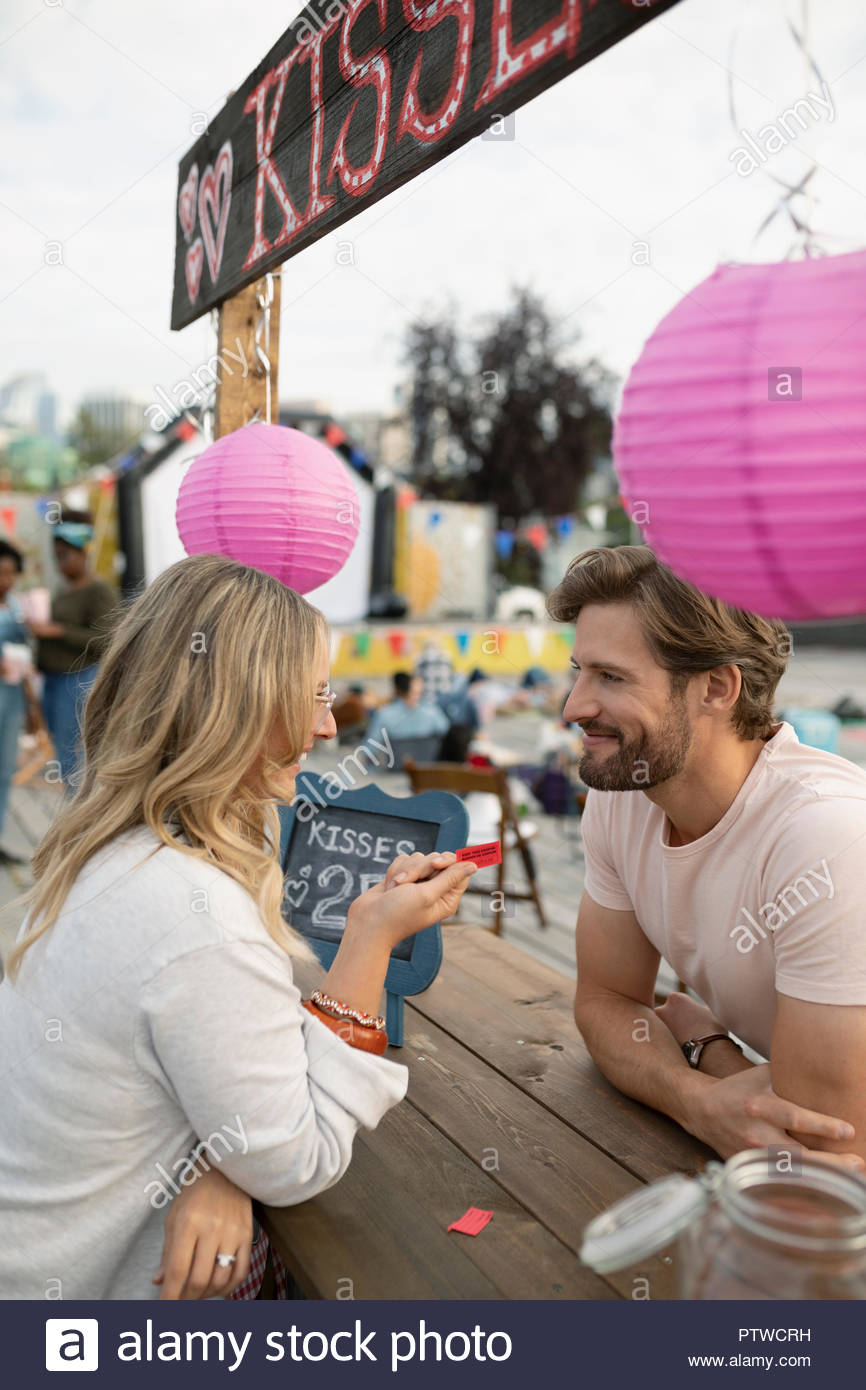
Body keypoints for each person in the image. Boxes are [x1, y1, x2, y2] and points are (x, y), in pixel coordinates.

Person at [0, 555, 478, 1299]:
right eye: (312, 697)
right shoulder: (197, 920)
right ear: (241, 704)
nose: (327, 725)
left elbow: (212, 1064)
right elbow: (297, 1158)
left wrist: (217, 1162)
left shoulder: (113, 851)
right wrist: (370, 940)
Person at [548, 545, 866, 1170]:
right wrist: (697, 1096)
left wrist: (704, 1045)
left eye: (610, 677)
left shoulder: (827, 837)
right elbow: (605, 1001)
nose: (574, 707)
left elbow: (822, 1151)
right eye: (577, 671)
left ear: (717, 688)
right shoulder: (625, 796)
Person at [30, 510, 119, 788]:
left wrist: (58, 631)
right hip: (55, 679)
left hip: (77, 680)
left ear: (83, 553)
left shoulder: (98, 591)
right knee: (64, 753)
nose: (60, 563)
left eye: (65, 556)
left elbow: (107, 640)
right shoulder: (63, 589)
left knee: (74, 760)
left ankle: (79, 820)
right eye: (56, 557)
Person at [0, 541, 30, 864]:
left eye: (11, 573)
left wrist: (33, 707)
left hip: (11, 697)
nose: (6, 580)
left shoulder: (18, 609)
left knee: (5, 768)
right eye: (0, 573)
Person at [366, 671, 449, 744]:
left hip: (397, 761)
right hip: (427, 761)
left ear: (398, 690)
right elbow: (447, 733)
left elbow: (370, 749)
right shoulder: (433, 713)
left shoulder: (384, 715)